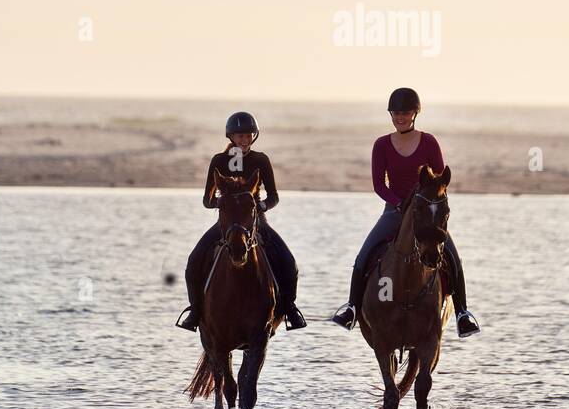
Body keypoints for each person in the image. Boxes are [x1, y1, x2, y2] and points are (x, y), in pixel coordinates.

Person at [331, 88, 480, 337]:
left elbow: (440, 181)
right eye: (396, 112)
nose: (400, 117)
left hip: (424, 215)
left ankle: (462, 314)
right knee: (363, 256)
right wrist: (399, 204)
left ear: (415, 113)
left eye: (405, 112)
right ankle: (352, 308)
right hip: (394, 212)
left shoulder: (430, 142)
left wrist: (426, 206)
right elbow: (379, 185)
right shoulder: (381, 145)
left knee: (454, 258)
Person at [176, 111, 306, 332]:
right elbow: (207, 200)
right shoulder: (218, 160)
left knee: (288, 261)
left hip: (256, 222)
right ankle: (195, 311)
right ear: (231, 137)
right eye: (239, 136)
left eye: (247, 136)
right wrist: (225, 204)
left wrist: (260, 206)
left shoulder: (261, 160)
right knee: (193, 261)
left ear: (253, 136)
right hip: (225, 224)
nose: (244, 140)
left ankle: (289, 308)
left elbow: (274, 196)